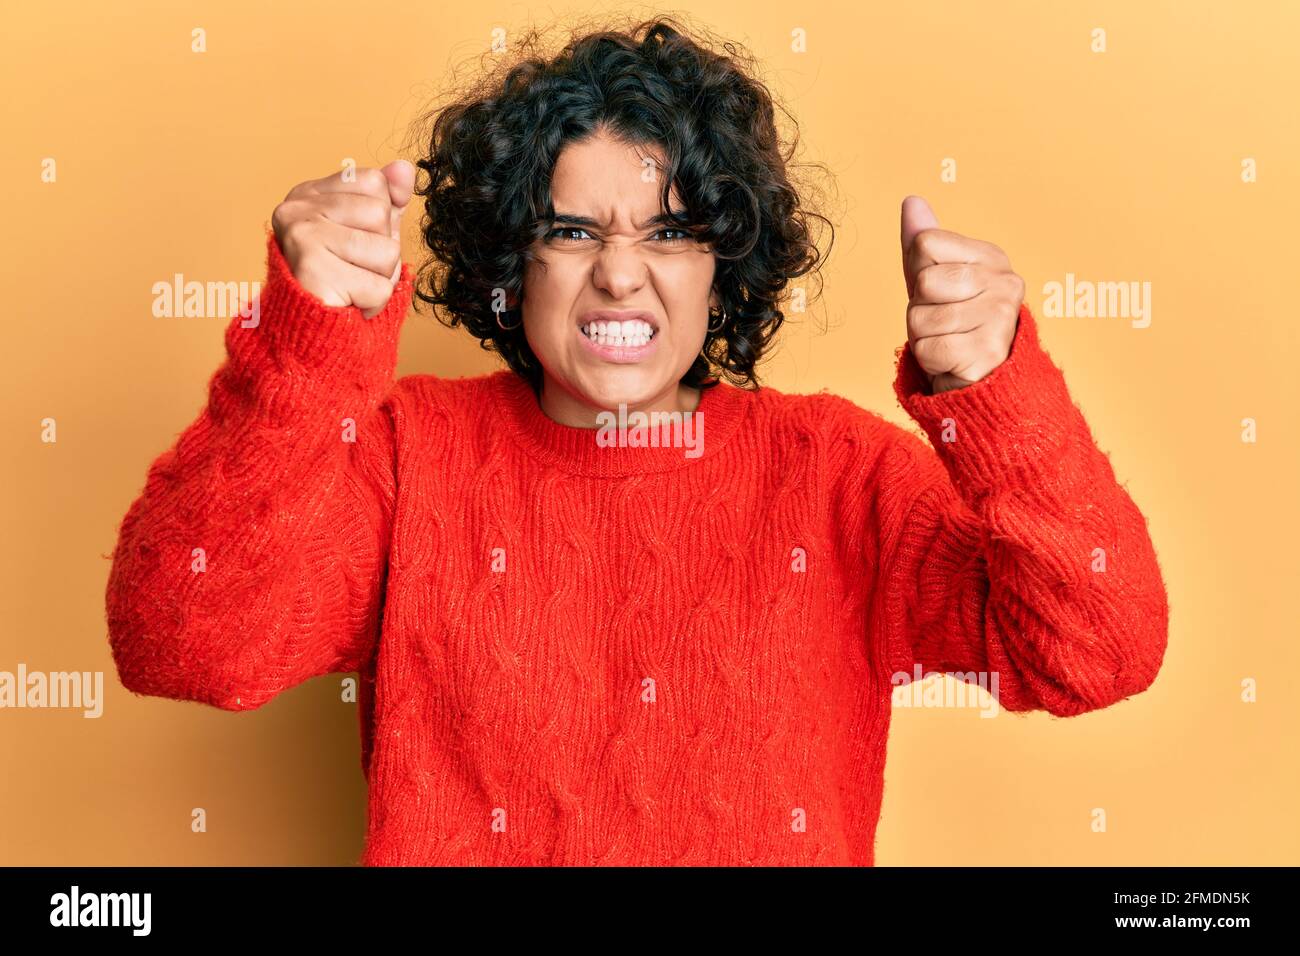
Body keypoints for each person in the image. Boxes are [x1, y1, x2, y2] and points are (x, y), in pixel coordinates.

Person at [104, 18, 1168, 866]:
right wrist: (309, 344)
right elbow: (184, 642)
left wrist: (994, 391)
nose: (620, 272)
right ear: (511, 266)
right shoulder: (407, 457)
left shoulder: (839, 475)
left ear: (725, 265)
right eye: (571, 231)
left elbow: (1099, 651)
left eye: (668, 232)